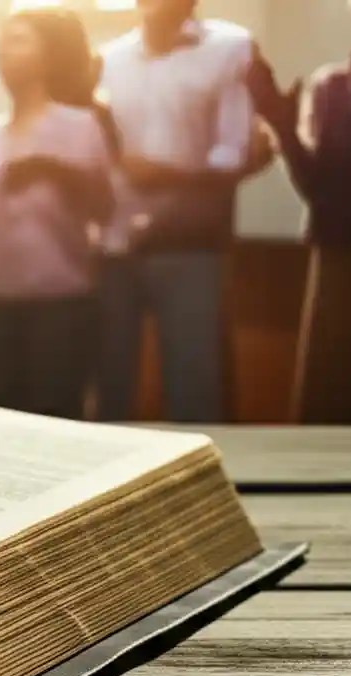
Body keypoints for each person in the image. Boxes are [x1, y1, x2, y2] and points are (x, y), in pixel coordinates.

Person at [0, 9, 114, 420]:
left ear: (47, 55)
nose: (3, 50)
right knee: (0, 416)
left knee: (56, 415)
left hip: (61, 300)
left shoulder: (79, 125)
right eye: (1, 42)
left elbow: (105, 207)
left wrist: (48, 168)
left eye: (18, 39)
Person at [94, 0, 258, 423]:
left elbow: (232, 151)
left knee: (195, 395)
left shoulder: (230, 47)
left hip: (190, 246)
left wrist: (164, 176)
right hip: (115, 249)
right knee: (110, 396)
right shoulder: (108, 59)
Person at [249, 0, 351, 422]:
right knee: (333, 392)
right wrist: (283, 127)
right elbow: (317, 187)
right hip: (339, 257)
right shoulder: (331, 86)